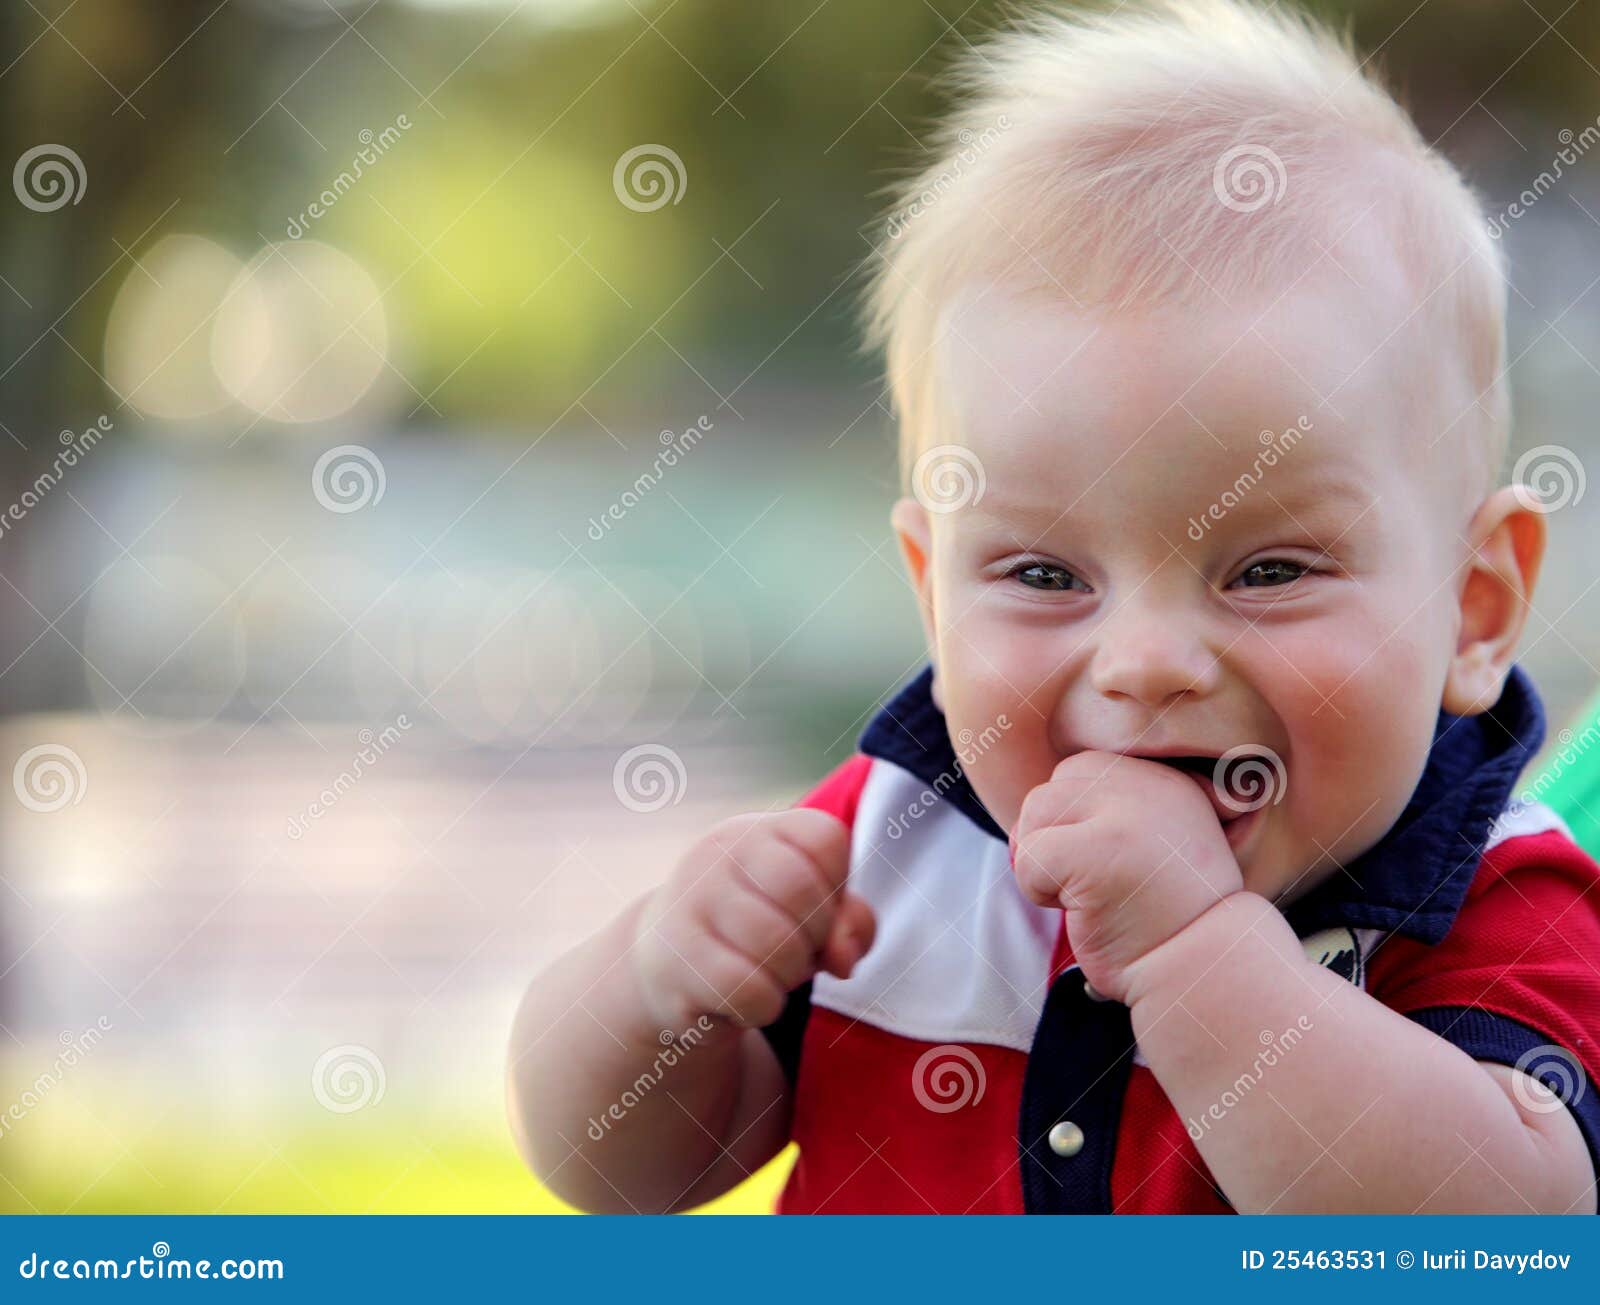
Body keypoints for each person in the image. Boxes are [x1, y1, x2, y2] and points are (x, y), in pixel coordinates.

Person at [507, 0, 1600, 1214]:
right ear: (933, 595)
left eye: (1270, 570)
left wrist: (1198, 959)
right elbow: (618, 1179)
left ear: (1474, 606)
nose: (1142, 664)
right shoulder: (896, 841)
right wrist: (656, 983)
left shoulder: (1502, 903)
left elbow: (1509, 1237)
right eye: (1041, 575)